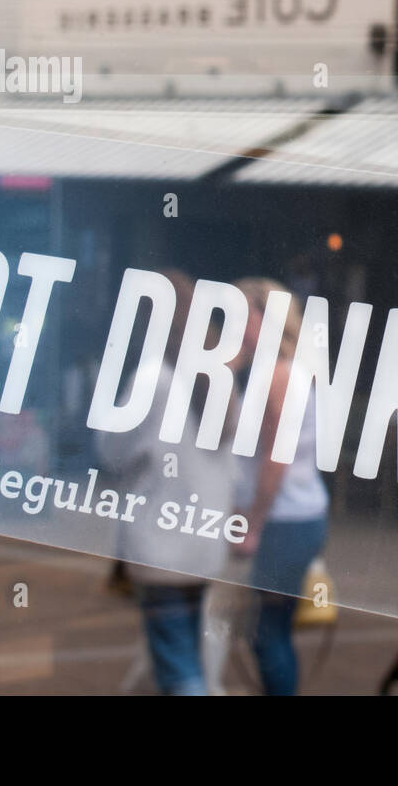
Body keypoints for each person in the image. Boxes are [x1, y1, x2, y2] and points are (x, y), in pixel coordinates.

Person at [97, 269, 244, 696]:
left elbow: (111, 451)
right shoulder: (218, 376)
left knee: (177, 664)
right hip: (204, 540)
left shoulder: (153, 379)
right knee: (188, 649)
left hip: (159, 544)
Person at [227, 278, 329, 696]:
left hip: (283, 520)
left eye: (241, 314)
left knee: (268, 634)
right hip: (297, 516)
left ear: (265, 318)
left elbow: (276, 458)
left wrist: (253, 523)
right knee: (272, 630)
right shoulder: (289, 369)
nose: (231, 323)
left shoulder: (278, 376)